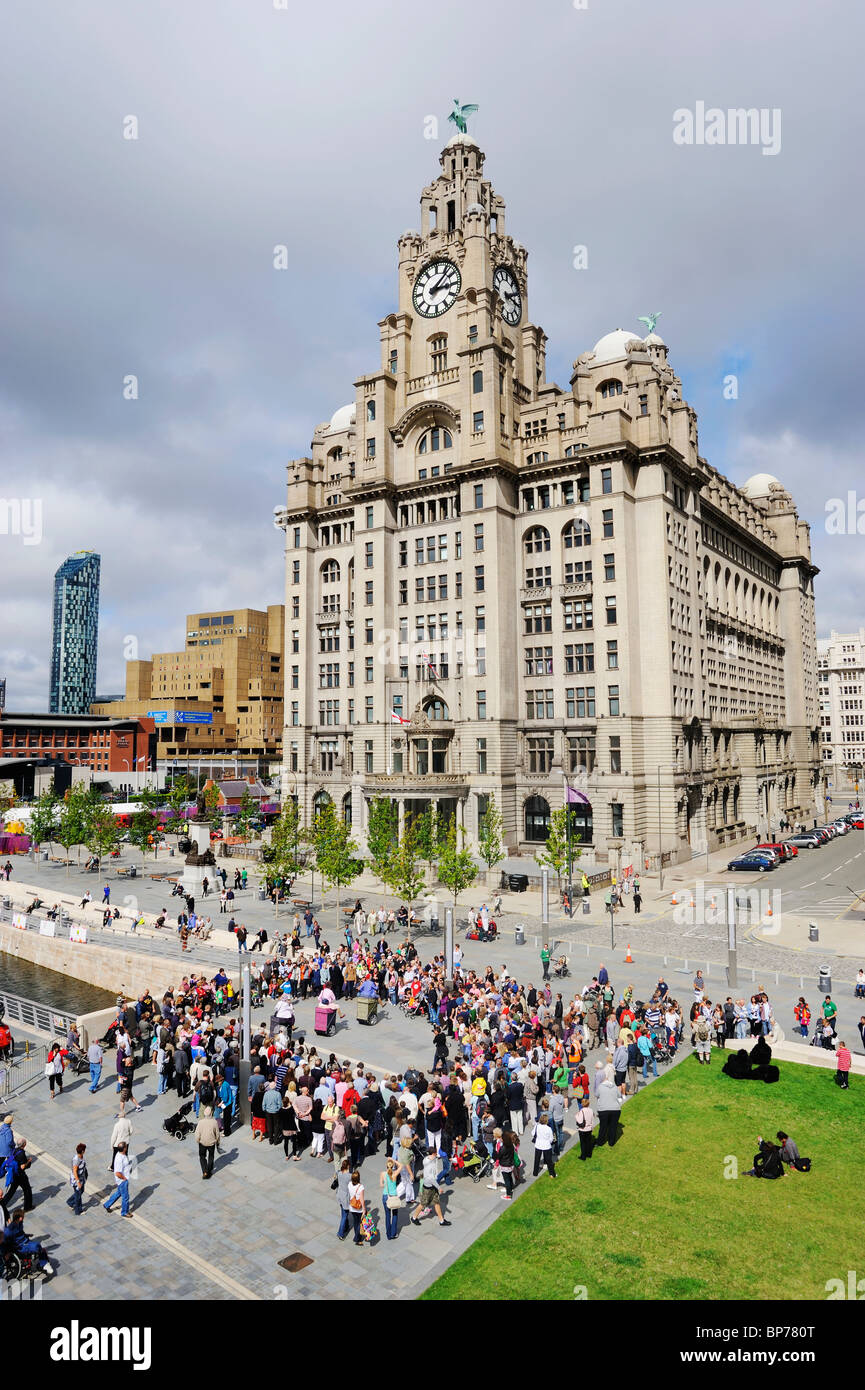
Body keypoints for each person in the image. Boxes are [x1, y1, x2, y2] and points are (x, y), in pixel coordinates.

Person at [2, 1210, 54, 1276]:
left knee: (40, 1248)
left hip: (25, 1242)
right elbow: (5, 1240)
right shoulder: (10, 1229)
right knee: (37, 1245)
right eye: (23, 1216)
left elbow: (20, 1233)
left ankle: (44, 1263)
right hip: (20, 1246)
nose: (24, 1217)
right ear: (20, 1217)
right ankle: (44, 1264)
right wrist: (7, 1252)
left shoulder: (19, 1223)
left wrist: (26, 1235)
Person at [410, 1148, 452, 1225]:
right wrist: (439, 1188)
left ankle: (441, 1221)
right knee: (423, 1204)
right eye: (436, 1153)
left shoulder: (428, 1158)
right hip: (428, 1187)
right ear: (433, 1154)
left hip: (432, 1186)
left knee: (436, 1203)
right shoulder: (429, 1164)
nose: (437, 1154)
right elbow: (431, 1179)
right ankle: (414, 1218)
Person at [379, 1156, 407, 1238]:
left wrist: (386, 1185)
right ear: (392, 1166)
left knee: (387, 1215)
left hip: (385, 1196)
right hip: (393, 1197)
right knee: (395, 1214)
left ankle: (388, 1233)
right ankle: (393, 1233)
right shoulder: (395, 1174)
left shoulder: (382, 1174)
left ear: (386, 1166)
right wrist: (393, 1160)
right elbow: (401, 1165)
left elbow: (381, 1185)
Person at [103, 1142, 133, 1216]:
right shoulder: (120, 1159)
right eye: (126, 1146)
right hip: (122, 1180)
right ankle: (124, 1212)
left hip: (123, 1179)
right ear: (124, 1149)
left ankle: (107, 1204)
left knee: (118, 1193)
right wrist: (124, 1179)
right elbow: (117, 1173)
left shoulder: (121, 1154)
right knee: (125, 1197)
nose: (127, 1147)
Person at [195, 1107, 221, 1179]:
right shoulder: (214, 1122)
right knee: (211, 1156)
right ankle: (209, 1170)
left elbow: (197, 1134)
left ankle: (205, 1171)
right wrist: (218, 1142)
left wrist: (198, 1141)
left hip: (202, 1143)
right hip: (211, 1143)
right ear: (211, 1113)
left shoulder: (201, 1122)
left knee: (202, 1157)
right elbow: (217, 1134)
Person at [595, 1078, 621, 1147]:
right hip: (615, 1109)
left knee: (603, 1127)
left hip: (604, 1109)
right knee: (613, 1126)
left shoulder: (600, 1087)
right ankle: (611, 1142)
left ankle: (600, 1142)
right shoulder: (615, 1087)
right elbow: (619, 1095)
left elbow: (596, 1095)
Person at [347, 1169, 368, 1246]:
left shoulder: (349, 1184)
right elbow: (362, 1199)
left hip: (352, 1207)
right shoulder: (361, 1187)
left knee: (356, 1222)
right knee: (360, 1223)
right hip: (359, 1208)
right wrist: (364, 1209)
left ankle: (358, 1237)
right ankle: (357, 1238)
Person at [67, 1143, 88, 1215]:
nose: (85, 1151)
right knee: (78, 1195)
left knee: (81, 1191)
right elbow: (75, 1171)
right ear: (82, 1151)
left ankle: (70, 1202)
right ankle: (78, 1210)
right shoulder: (76, 1160)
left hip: (81, 1178)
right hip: (77, 1180)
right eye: (84, 1150)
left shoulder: (80, 1156)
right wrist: (78, 1182)